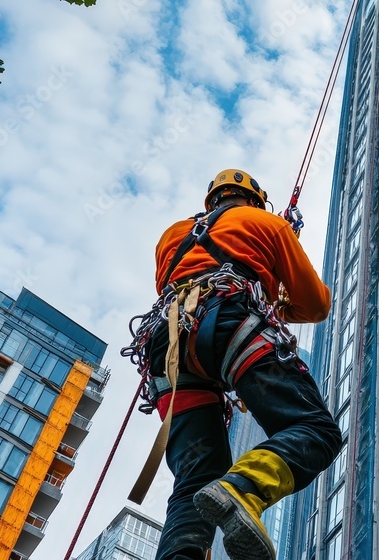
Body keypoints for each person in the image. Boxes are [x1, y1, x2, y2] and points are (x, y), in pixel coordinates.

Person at [138, 169, 342, 560]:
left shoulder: (170, 237)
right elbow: (316, 304)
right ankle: (244, 487)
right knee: (315, 430)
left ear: (212, 201)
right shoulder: (268, 224)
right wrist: (279, 303)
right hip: (229, 324)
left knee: (195, 477)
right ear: (254, 200)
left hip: (168, 346)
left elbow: (184, 283)